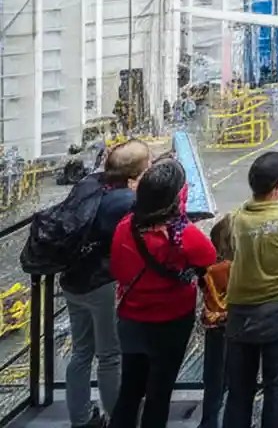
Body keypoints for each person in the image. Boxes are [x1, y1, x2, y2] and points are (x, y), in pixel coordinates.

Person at [109, 159, 217, 428]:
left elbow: (118, 270)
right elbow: (209, 259)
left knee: (130, 391)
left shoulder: (125, 227)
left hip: (131, 320)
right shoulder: (185, 236)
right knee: (159, 393)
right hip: (171, 323)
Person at [62, 139, 151, 428]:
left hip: (73, 279)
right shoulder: (127, 202)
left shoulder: (88, 185)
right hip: (102, 283)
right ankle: (119, 419)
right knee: (110, 355)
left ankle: (82, 418)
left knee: (81, 352)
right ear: (135, 175)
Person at [223, 151, 278, 428]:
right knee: (277, 385)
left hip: (239, 313)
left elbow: (226, 251)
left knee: (239, 390)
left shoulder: (234, 219)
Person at [200, 217, 235, 428]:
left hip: (214, 328)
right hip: (235, 327)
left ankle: (208, 421)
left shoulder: (209, 269)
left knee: (213, 382)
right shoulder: (236, 268)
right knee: (236, 381)